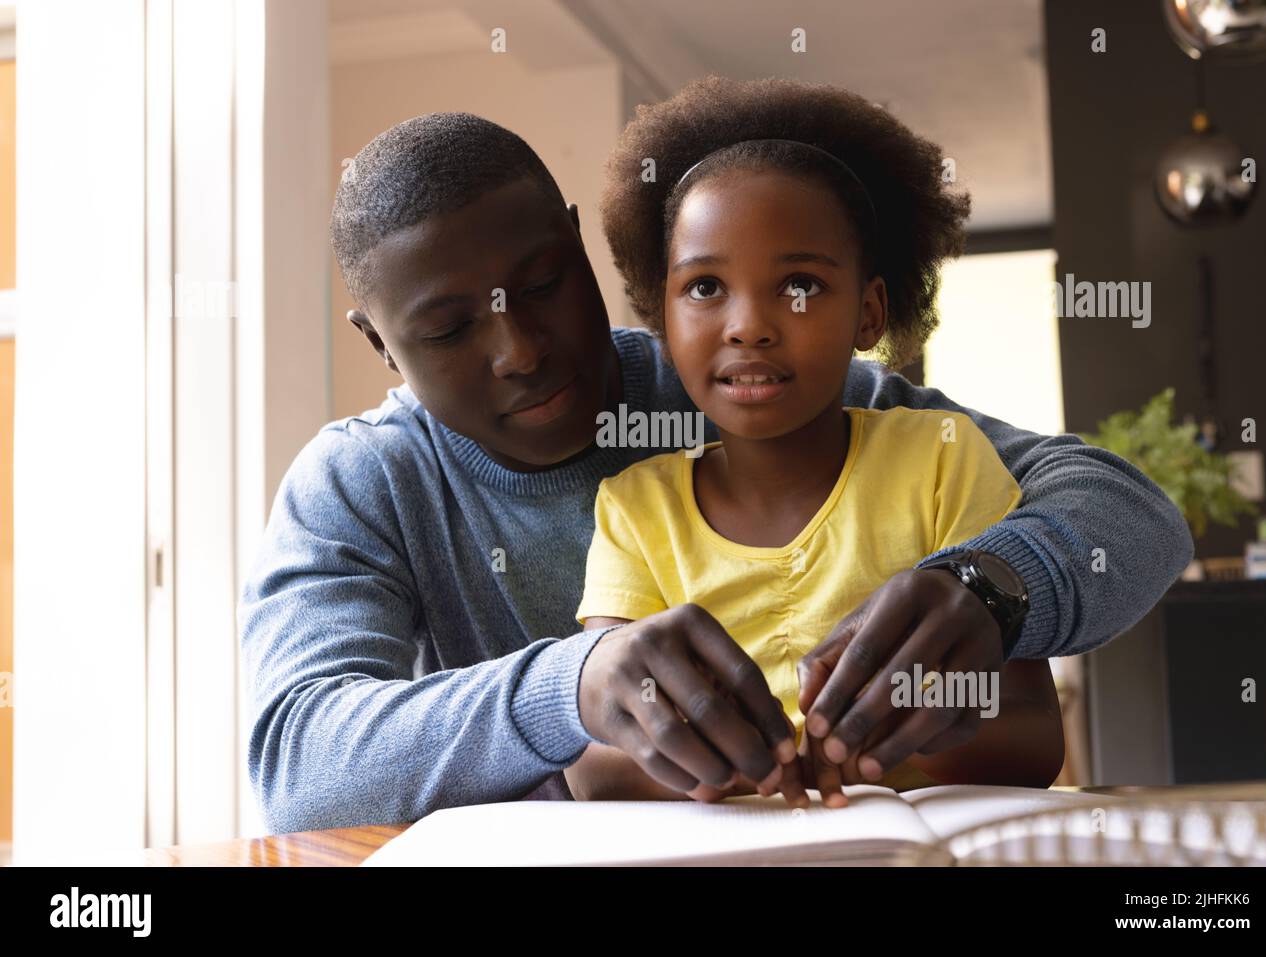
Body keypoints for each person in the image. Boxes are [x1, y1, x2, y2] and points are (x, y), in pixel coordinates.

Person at [238, 81, 1192, 833]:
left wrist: (993, 585)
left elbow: (1131, 512)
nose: (518, 348)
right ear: (378, 343)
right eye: (447, 329)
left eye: (541, 285)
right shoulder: (361, 482)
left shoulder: (759, 392)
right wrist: (575, 684)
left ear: (583, 247)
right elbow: (297, 763)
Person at [565, 82, 1063, 807]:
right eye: (705, 287)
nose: (749, 325)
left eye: (799, 284)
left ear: (869, 313)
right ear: (662, 318)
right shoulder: (635, 509)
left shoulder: (943, 462)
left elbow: (1037, 737)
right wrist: (717, 764)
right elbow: (595, 765)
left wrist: (912, 729)